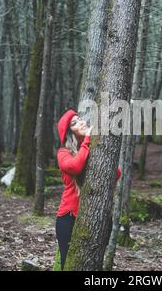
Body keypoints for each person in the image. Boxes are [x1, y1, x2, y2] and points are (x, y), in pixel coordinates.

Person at [55, 109, 121, 270]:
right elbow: (75, 166)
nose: (82, 122)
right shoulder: (63, 153)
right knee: (68, 262)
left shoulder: (93, 148)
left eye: (80, 119)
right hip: (68, 217)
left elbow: (116, 173)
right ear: (69, 133)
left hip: (96, 213)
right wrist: (87, 140)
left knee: (94, 259)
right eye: (74, 123)